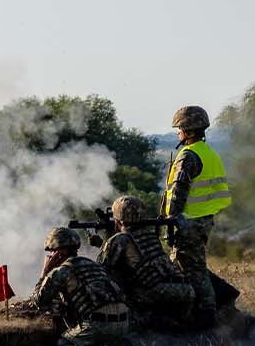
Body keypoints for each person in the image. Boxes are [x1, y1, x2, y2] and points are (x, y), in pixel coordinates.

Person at [163, 105, 232, 328]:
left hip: (189, 221)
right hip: (201, 219)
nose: (177, 133)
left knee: (192, 270)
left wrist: (171, 219)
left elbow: (180, 191)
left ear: (188, 131)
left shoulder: (188, 156)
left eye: (179, 129)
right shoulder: (208, 153)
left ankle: (207, 318)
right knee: (189, 266)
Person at [97, 196, 194, 329]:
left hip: (158, 293)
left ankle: (140, 321)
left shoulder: (120, 239)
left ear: (118, 219)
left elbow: (101, 269)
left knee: (114, 281)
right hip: (186, 290)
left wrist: (107, 237)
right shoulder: (150, 234)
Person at [30, 227, 131, 346]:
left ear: (58, 252)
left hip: (98, 324)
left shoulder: (62, 271)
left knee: (64, 344)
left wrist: (45, 272)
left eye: (51, 252)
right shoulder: (93, 264)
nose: (49, 256)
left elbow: (38, 301)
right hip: (123, 323)